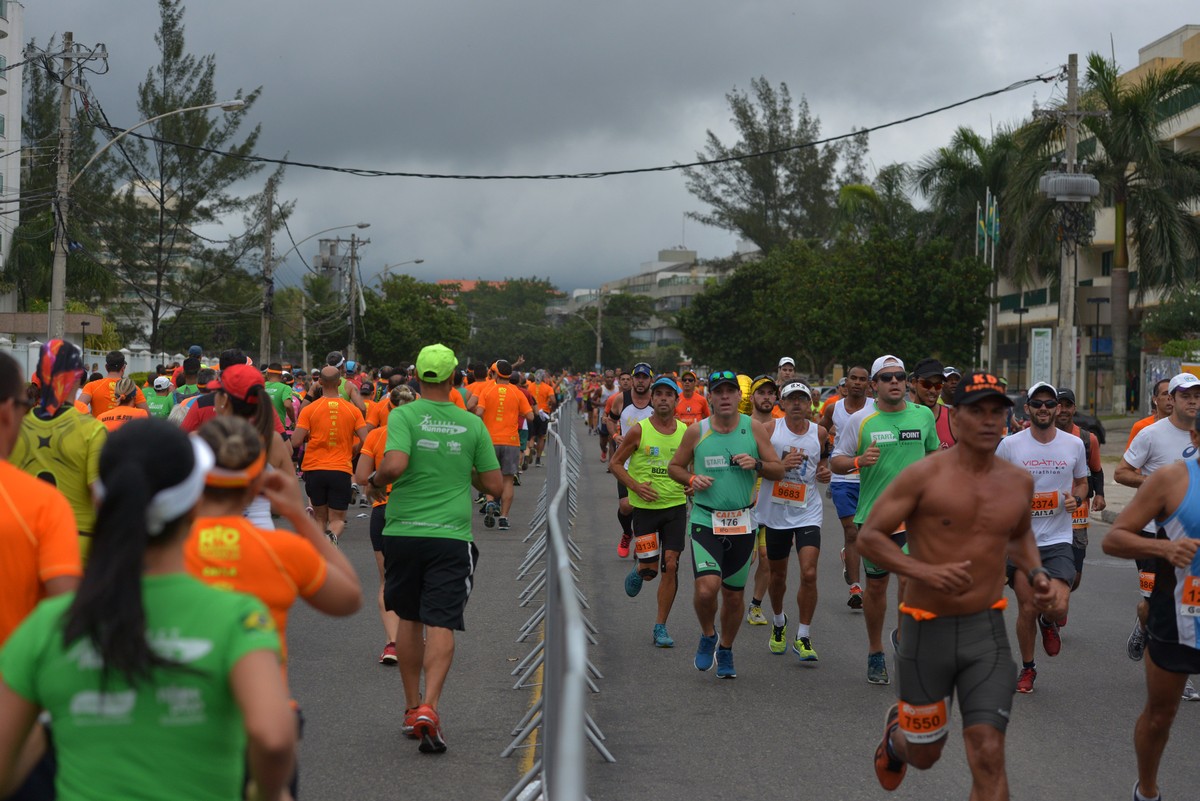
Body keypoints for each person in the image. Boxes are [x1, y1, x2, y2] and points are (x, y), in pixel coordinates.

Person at [0, 418, 296, 801]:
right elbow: (273, 738)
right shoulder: (239, 617)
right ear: (194, 503)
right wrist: (267, 792)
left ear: (100, 500)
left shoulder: (48, 624)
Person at [858, 372, 1054, 799]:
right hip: (927, 629)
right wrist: (922, 571)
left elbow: (1019, 534)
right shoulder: (924, 476)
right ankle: (897, 737)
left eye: (996, 412)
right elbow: (869, 536)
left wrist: (1037, 574)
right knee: (925, 754)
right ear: (957, 418)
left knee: (987, 752)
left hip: (986, 632)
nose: (988, 421)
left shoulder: (1017, 481)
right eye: (976, 411)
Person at [188, 415, 361, 790]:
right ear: (257, 486)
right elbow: (349, 597)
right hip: (263, 721)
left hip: (180, 725)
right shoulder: (280, 550)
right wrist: (299, 514)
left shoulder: (162, 550)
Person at [366, 343, 503, 754]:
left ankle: (411, 709)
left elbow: (393, 466)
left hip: (403, 530)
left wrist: (374, 480)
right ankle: (430, 706)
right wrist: (467, 473)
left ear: (417, 377)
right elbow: (494, 486)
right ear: (453, 377)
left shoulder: (403, 415)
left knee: (408, 618)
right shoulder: (471, 424)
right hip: (450, 535)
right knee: (442, 621)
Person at [1103, 414, 1200, 801]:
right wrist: (1164, 548)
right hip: (1177, 616)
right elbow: (1113, 540)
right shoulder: (1171, 480)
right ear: (1194, 435)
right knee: (1161, 717)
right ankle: (1147, 790)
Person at [667, 369, 784, 679]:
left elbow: (778, 469)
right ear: (711, 398)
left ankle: (727, 648)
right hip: (706, 519)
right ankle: (708, 634)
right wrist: (692, 478)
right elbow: (674, 467)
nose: (725, 397)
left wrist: (757, 464)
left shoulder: (754, 429)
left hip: (743, 522)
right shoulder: (697, 432)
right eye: (718, 392)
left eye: (730, 391)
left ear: (738, 397)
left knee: (733, 596)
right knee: (707, 589)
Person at [831, 355, 939, 685]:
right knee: (876, 588)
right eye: (886, 377)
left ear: (907, 383)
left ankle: (905, 640)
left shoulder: (923, 416)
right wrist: (858, 461)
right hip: (875, 518)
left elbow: (934, 455)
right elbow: (836, 462)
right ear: (874, 385)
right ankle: (875, 651)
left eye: (900, 376)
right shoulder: (861, 421)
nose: (895, 381)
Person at [995, 382, 1088, 694]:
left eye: (1050, 404)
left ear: (1058, 409)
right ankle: (1028, 668)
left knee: (1057, 607)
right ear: (1028, 408)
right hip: (1022, 543)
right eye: (1038, 403)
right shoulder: (1010, 445)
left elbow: (1081, 483)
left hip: (1059, 539)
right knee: (1028, 607)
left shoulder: (1073, 445)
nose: (1045, 409)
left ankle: (1050, 624)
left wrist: (1077, 498)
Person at [1116, 372, 1200, 700]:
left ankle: (1179, 667)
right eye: (1184, 395)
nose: (1192, 401)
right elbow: (1122, 472)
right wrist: (1157, 489)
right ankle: (1152, 634)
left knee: (1189, 601)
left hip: (1191, 538)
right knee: (1155, 603)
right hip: (1153, 536)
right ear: (1170, 400)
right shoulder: (1151, 434)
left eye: (1197, 395)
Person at [0, 351, 82, 646]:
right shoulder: (44, 504)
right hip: (15, 678)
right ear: (8, 411)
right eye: (25, 405)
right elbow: (65, 610)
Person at [609, 376, 688, 648]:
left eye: (669, 394)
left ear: (677, 400)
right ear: (652, 400)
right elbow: (616, 463)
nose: (664, 398)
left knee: (672, 564)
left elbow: (692, 467)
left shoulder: (685, 432)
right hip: (645, 509)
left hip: (675, 507)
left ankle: (660, 626)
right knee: (649, 571)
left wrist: (692, 483)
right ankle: (639, 568)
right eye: (659, 394)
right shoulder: (639, 431)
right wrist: (635, 487)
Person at [755, 381, 831, 661]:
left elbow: (820, 465)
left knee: (809, 573)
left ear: (811, 403)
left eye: (803, 398)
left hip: (807, 509)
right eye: (792, 399)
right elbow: (754, 463)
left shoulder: (819, 432)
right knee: (777, 576)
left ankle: (804, 635)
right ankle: (778, 622)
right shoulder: (769, 430)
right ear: (782, 403)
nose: (798, 403)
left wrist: (825, 473)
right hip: (775, 512)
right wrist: (777, 467)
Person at [10, 340, 107, 556]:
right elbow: (101, 497)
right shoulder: (93, 430)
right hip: (76, 544)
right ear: (77, 377)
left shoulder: (15, 429)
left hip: (24, 546)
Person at [355, 384, 418, 664]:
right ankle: (415, 637)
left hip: (383, 509)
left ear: (389, 407)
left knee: (386, 581)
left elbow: (360, 476)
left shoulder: (377, 436)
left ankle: (393, 643)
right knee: (417, 577)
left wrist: (377, 482)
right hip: (417, 511)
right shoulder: (422, 437)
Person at [292, 366, 369, 544]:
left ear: (320, 382)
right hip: (341, 469)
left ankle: (321, 554)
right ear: (340, 382)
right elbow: (366, 439)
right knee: (337, 520)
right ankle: (331, 537)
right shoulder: (353, 410)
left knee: (319, 518)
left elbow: (296, 441)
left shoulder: (310, 410)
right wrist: (354, 450)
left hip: (314, 468)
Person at [819, 364, 872, 611]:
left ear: (869, 383)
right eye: (854, 378)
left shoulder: (876, 408)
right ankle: (856, 588)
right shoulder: (834, 408)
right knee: (852, 532)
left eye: (863, 379)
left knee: (868, 534)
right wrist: (821, 460)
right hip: (842, 478)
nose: (858, 383)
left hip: (871, 477)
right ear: (846, 382)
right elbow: (819, 431)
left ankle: (850, 558)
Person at [1054, 388, 1105, 590]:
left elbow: (1097, 470)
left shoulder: (1087, 439)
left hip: (1078, 512)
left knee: (1075, 576)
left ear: (1074, 408)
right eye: (1058, 405)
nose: (1063, 410)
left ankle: (1056, 604)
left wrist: (1100, 494)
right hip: (1049, 511)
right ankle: (1052, 611)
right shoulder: (1044, 437)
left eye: (1067, 405)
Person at [474, 359, 534, 531]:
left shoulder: (488, 389)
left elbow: (478, 412)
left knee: (489, 478)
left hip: (489, 441)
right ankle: (504, 518)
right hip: (511, 441)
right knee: (507, 481)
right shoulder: (517, 392)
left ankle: (491, 502)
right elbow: (530, 417)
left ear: (495, 373)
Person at [609, 362, 655, 557]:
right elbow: (610, 419)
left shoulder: (657, 399)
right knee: (626, 506)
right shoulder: (622, 399)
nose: (641, 381)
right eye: (638, 377)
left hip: (650, 462)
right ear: (633, 379)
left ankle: (641, 542)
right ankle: (628, 533)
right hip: (625, 462)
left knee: (644, 505)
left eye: (645, 378)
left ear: (651, 380)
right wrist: (614, 436)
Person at [745, 374, 780, 626]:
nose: (766, 397)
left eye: (770, 393)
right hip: (745, 496)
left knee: (767, 556)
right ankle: (733, 595)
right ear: (753, 397)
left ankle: (755, 605)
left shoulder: (783, 425)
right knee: (748, 556)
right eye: (761, 393)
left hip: (773, 496)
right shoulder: (742, 424)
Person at [78, 350, 148, 416]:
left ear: (106, 367)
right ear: (123, 368)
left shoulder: (91, 386)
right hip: (126, 428)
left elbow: (77, 410)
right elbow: (147, 416)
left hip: (100, 428)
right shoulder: (133, 388)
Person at [910, 357, 956, 449]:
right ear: (914, 383)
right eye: (927, 384)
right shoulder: (902, 416)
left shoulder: (952, 418)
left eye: (938, 385)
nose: (932, 390)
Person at [1127, 378, 1173, 449]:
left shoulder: (1185, 427)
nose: (1169, 398)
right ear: (1155, 399)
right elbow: (1129, 458)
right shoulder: (1141, 427)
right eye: (1165, 394)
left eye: (1172, 394)